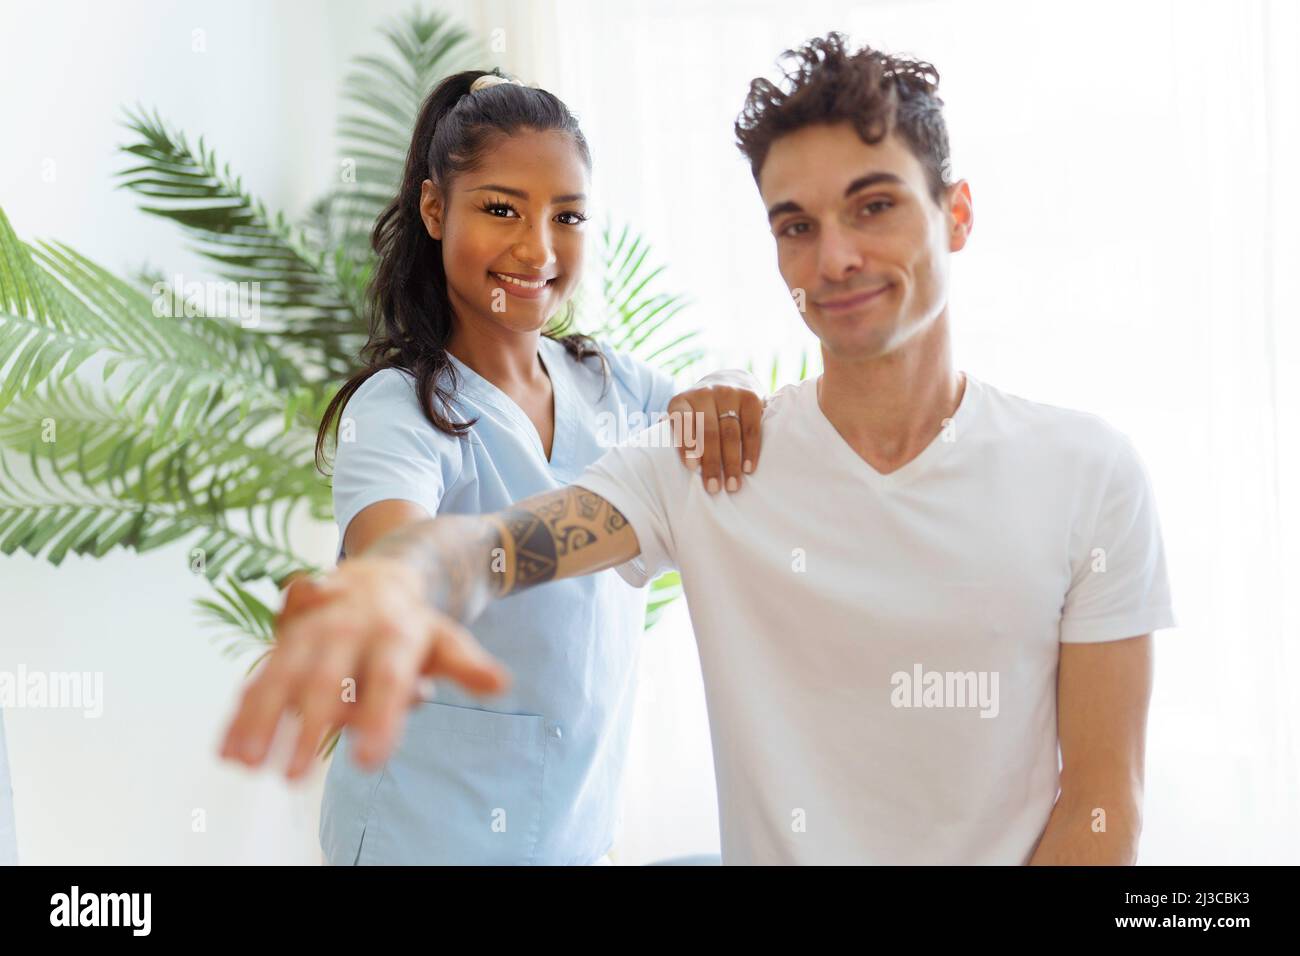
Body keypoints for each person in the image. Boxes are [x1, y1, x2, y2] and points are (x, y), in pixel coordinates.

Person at [222, 35, 1176, 865]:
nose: (834, 256)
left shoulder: (1087, 476)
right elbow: (497, 549)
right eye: (796, 225)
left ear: (956, 214)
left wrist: (717, 388)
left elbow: (1105, 804)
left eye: (874, 205)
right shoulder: (694, 471)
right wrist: (396, 580)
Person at [246, 69, 766, 865]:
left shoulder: (610, 384)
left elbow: (725, 412)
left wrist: (724, 386)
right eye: (501, 209)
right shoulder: (399, 408)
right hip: (417, 841)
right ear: (433, 209)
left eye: (568, 216)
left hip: (569, 837)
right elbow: (395, 546)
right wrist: (388, 589)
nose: (538, 248)